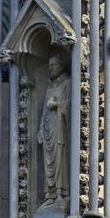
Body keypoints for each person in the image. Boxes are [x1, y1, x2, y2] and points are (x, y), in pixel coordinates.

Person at [38, 55, 70, 208]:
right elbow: (44, 110)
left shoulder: (67, 84)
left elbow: (70, 105)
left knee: (59, 158)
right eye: (49, 66)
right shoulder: (50, 87)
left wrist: (57, 104)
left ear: (61, 66)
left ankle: (60, 193)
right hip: (48, 128)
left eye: (53, 65)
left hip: (59, 127)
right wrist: (39, 130)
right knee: (48, 159)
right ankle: (49, 194)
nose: (50, 69)